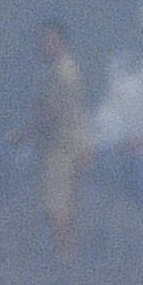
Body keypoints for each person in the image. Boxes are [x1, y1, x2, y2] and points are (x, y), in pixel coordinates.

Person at [29, 22, 94, 265]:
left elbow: (54, 109)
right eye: (42, 41)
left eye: (48, 41)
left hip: (62, 144)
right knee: (69, 200)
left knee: (57, 200)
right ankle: (66, 252)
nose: (43, 46)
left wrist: (25, 132)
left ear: (60, 43)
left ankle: (62, 253)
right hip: (78, 141)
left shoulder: (61, 72)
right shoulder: (68, 69)